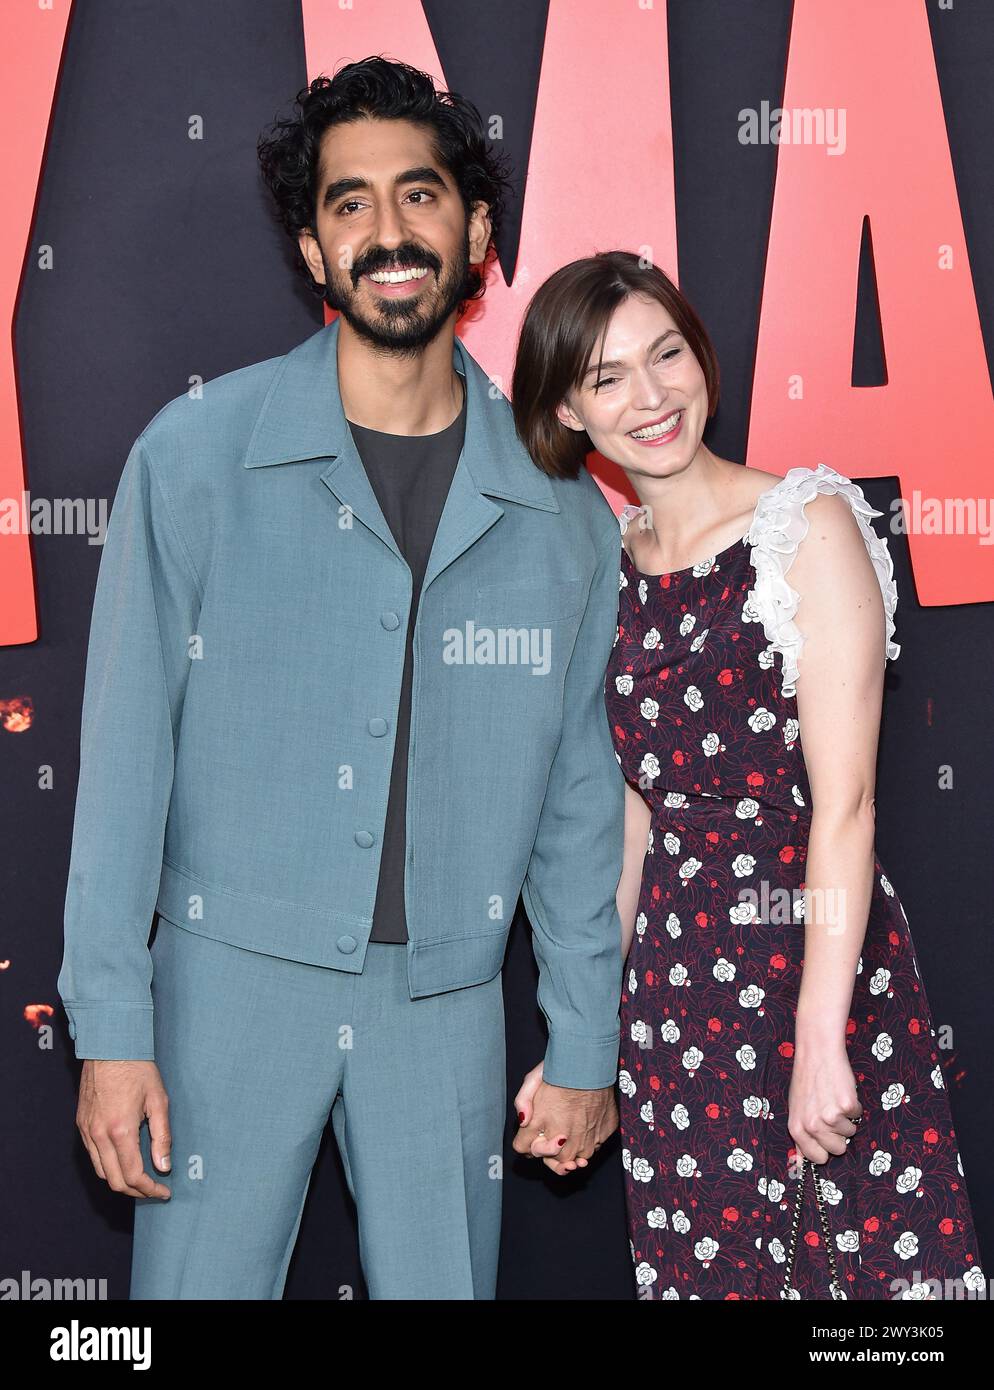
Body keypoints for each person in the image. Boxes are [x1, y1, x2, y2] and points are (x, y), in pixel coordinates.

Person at [58, 57, 624, 1301]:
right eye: (348, 204)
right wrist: (112, 1029)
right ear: (313, 249)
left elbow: (580, 807)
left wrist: (586, 1038)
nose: (387, 233)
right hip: (223, 992)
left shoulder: (562, 513)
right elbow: (124, 766)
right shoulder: (197, 457)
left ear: (476, 233)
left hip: (446, 1005)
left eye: (419, 197)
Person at [510, 250, 985, 1300]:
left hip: (811, 959)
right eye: (607, 377)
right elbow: (633, 816)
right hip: (673, 1005)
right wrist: (579, 1040)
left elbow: (846, 803)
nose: (651, 395)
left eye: (666, 353)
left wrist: (820, 1035)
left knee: (860, 1286)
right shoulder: (608, 561)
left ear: (701, 357)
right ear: (566, 414)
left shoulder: (804, 525)